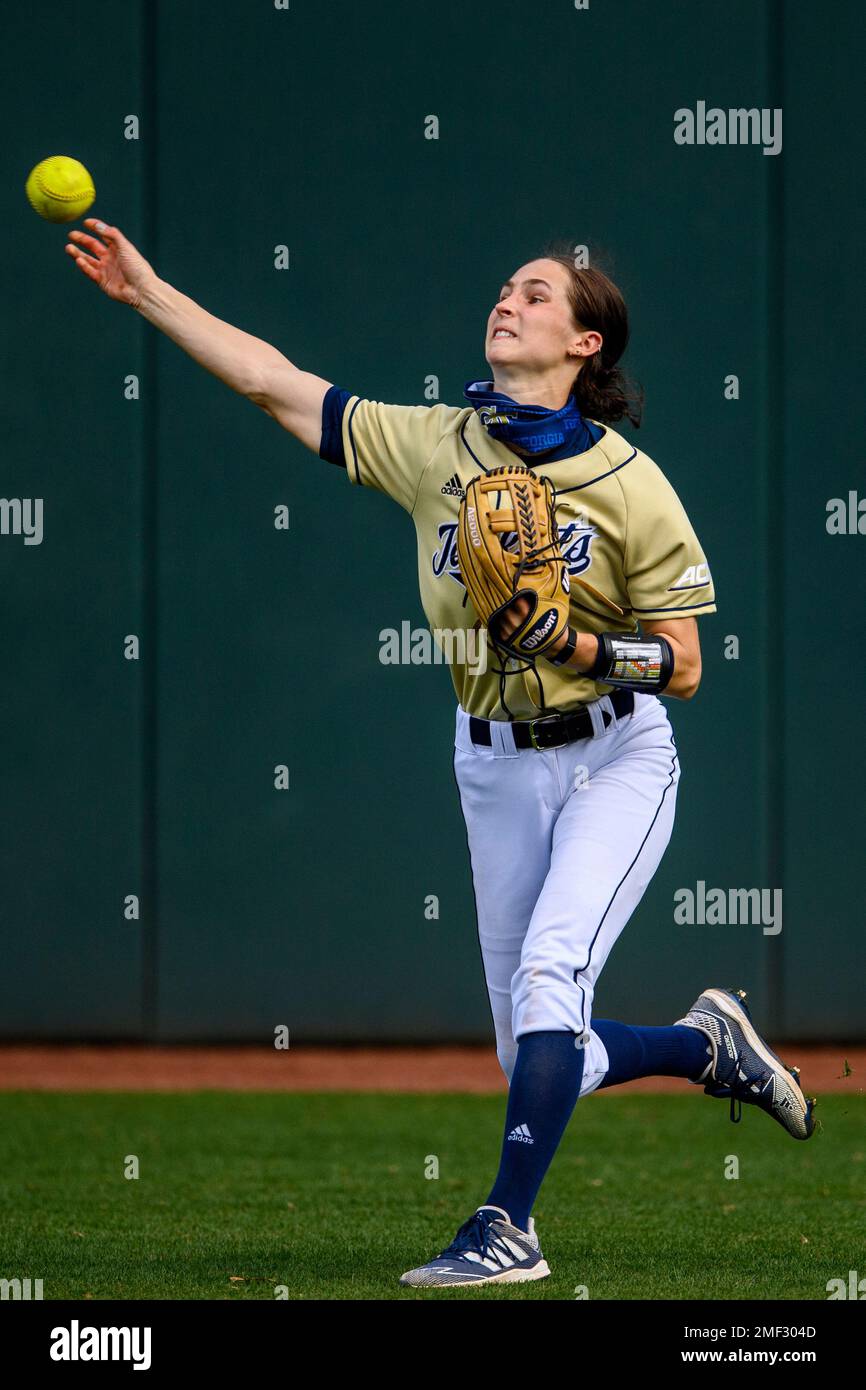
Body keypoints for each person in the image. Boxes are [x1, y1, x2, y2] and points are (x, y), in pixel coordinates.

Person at [66, 224, 816, 1291]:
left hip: (616, 758)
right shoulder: (437, 443)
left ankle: (506, 1224)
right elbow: (276, 385)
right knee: (528, 1054)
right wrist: (148, 293)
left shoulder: (629, 484)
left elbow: (687, 665)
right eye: (503, 286)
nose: (507, 301)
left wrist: (576, 643)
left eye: (537, 295)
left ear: (584, 342)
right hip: (493, 765)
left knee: (552, 975)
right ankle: (705, 1047)